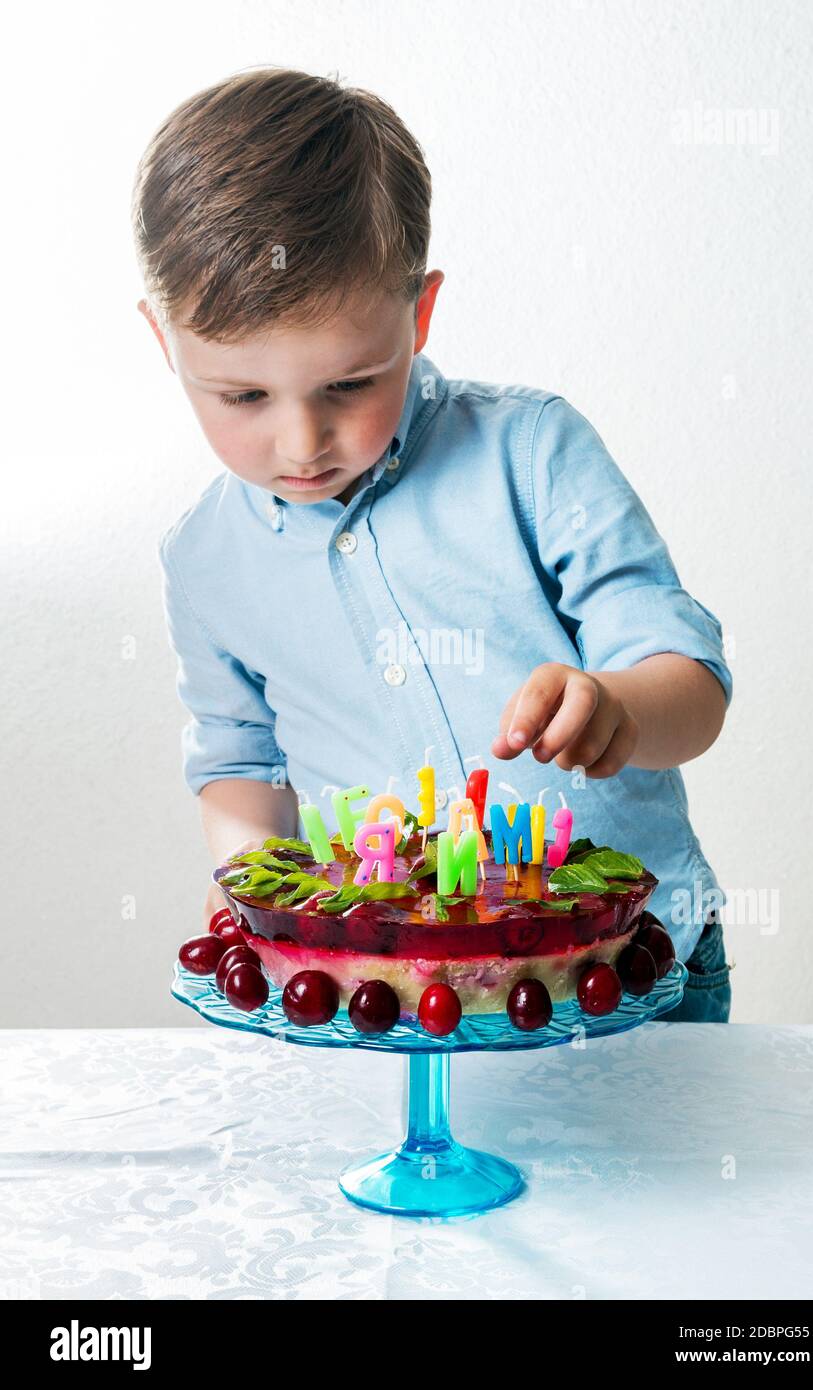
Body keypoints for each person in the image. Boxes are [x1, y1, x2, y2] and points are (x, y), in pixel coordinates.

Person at [132, 67, 733, 1022]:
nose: (300, 443)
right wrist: (250, 881)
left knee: (645, 1180)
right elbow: (243, 763)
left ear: (419, 315)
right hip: (391, 999)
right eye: (243, 396)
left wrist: (617, 705)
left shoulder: (531, 455)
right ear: (165, 343)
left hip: (623, 978)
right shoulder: (204, 561)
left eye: (348, 384)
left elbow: (693, 689)